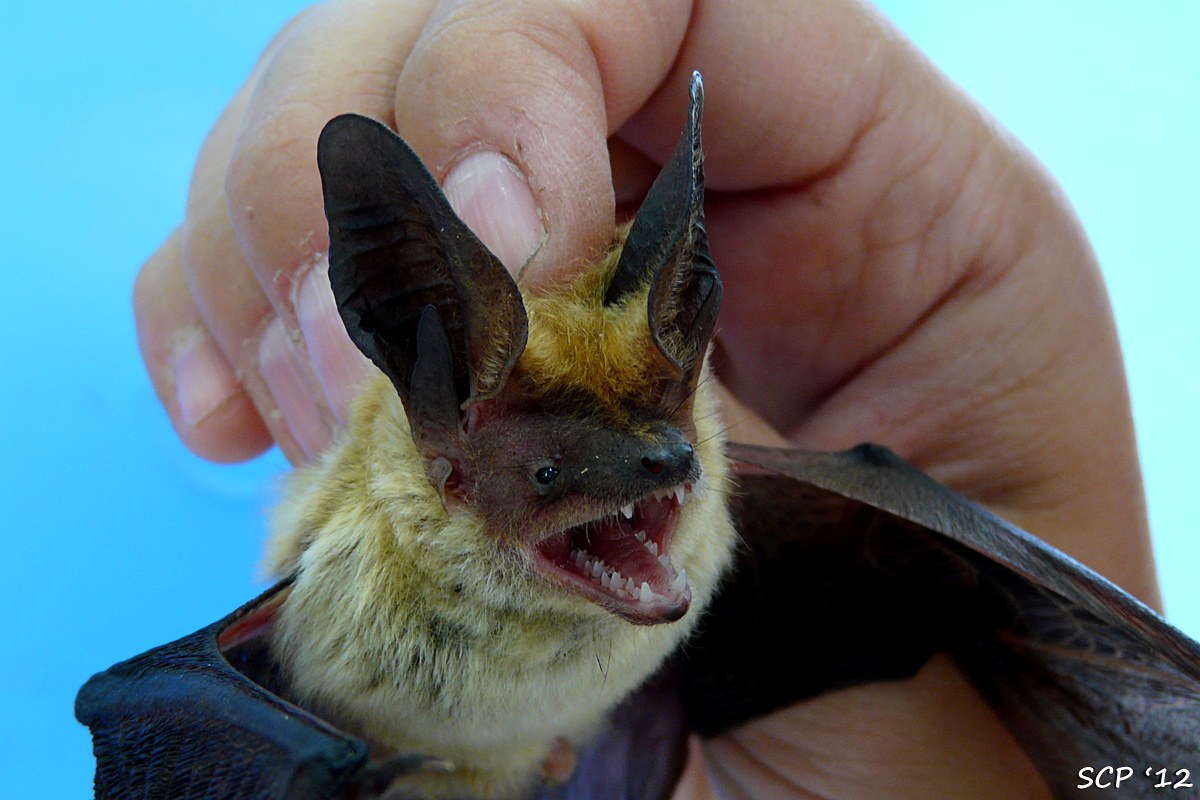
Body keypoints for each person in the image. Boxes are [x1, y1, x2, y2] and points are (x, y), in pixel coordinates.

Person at [132, 1, 1158, 797]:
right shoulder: (341, 598)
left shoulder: (729, 511)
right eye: (549, 471)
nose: (666, 468)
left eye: (668, 437)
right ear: (447, 471)